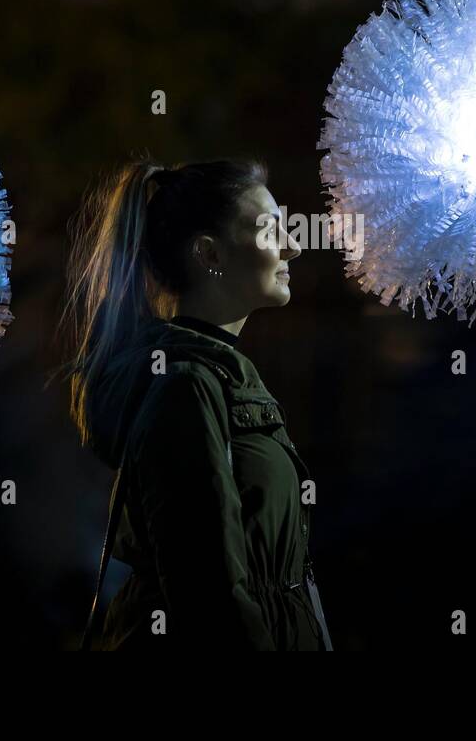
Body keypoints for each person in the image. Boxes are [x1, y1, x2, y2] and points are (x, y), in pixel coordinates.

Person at [61, 155, 330, 649]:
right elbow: (209, 594)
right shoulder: (186, 387)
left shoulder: (219, 377)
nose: (292, 247)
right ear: (209, 254)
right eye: (271, 231)